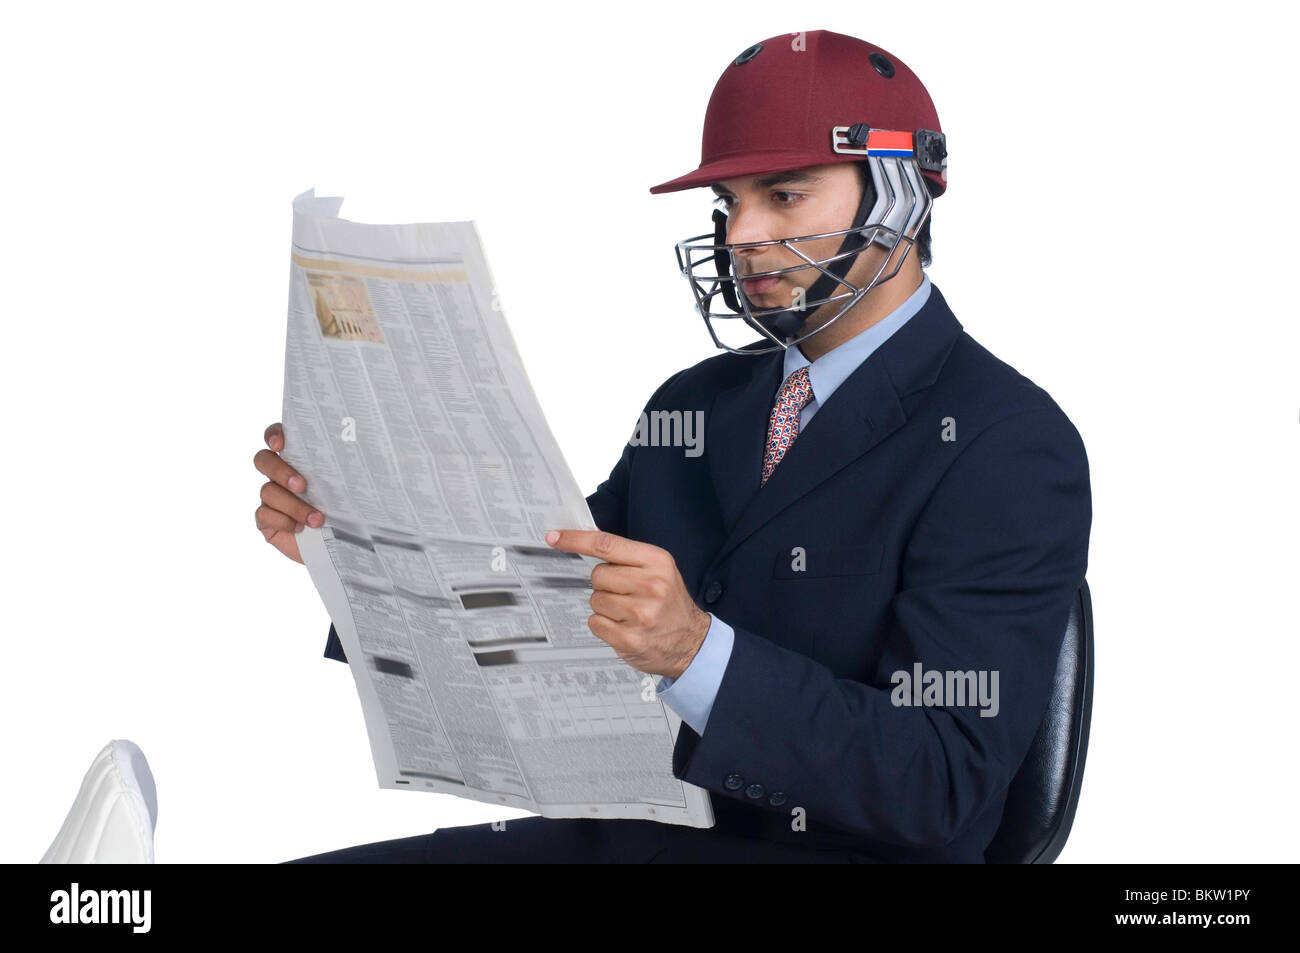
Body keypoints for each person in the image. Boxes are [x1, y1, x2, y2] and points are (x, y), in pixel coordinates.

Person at [254, 30, 1092, 863]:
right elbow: (544, 614)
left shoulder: (1008, 443)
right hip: (621, 836)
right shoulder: (695, 405)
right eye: (728, 204)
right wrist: (358, 540)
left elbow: (943, 783)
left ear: (901, 197)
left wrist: (699, 653)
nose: (740, 236)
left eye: (784, 195)